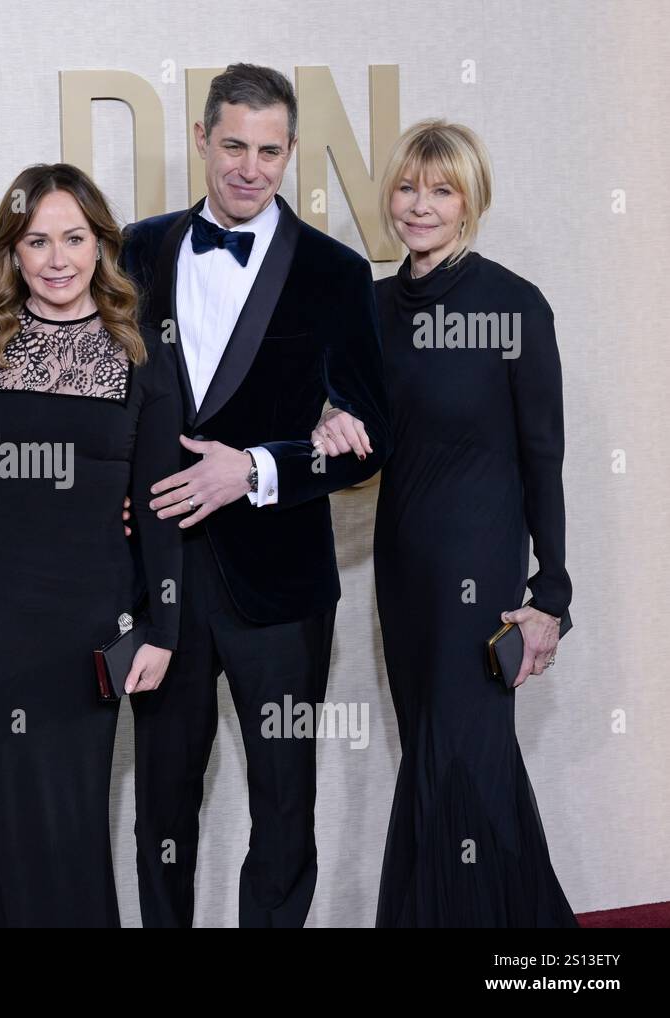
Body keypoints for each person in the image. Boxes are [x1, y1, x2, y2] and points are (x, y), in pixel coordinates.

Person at [121, 63, 391, 927]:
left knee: (283, 803)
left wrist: (258, 468)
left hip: (278, 587)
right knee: (161, 804)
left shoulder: (337, 273)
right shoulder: (133, 249)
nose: (249, 167)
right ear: (201, 140)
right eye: (233, 144)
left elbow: (366, 439)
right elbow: (99, 402)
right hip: (157, 578)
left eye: (269, 150)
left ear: (291, 152)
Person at [312, 119, 577, 926]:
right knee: (441, 750)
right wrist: (329, 424)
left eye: (441, 189)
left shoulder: (514, 306)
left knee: (460, 754)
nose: (419, 205)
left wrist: (552, 595)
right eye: (407, 186)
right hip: (405, 564)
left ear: (470, 203)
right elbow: (359, 450)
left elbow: (544, 458)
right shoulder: (372, 308)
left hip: (482, 566)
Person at [0, 163, 182, 927]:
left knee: (73, 811)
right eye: (37, 241)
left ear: (101, 246)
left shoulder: (145, 352)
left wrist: (163, 627)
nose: (57, 258)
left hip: (90, 620)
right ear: (12, 253)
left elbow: (158, 506)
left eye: (74, 238)